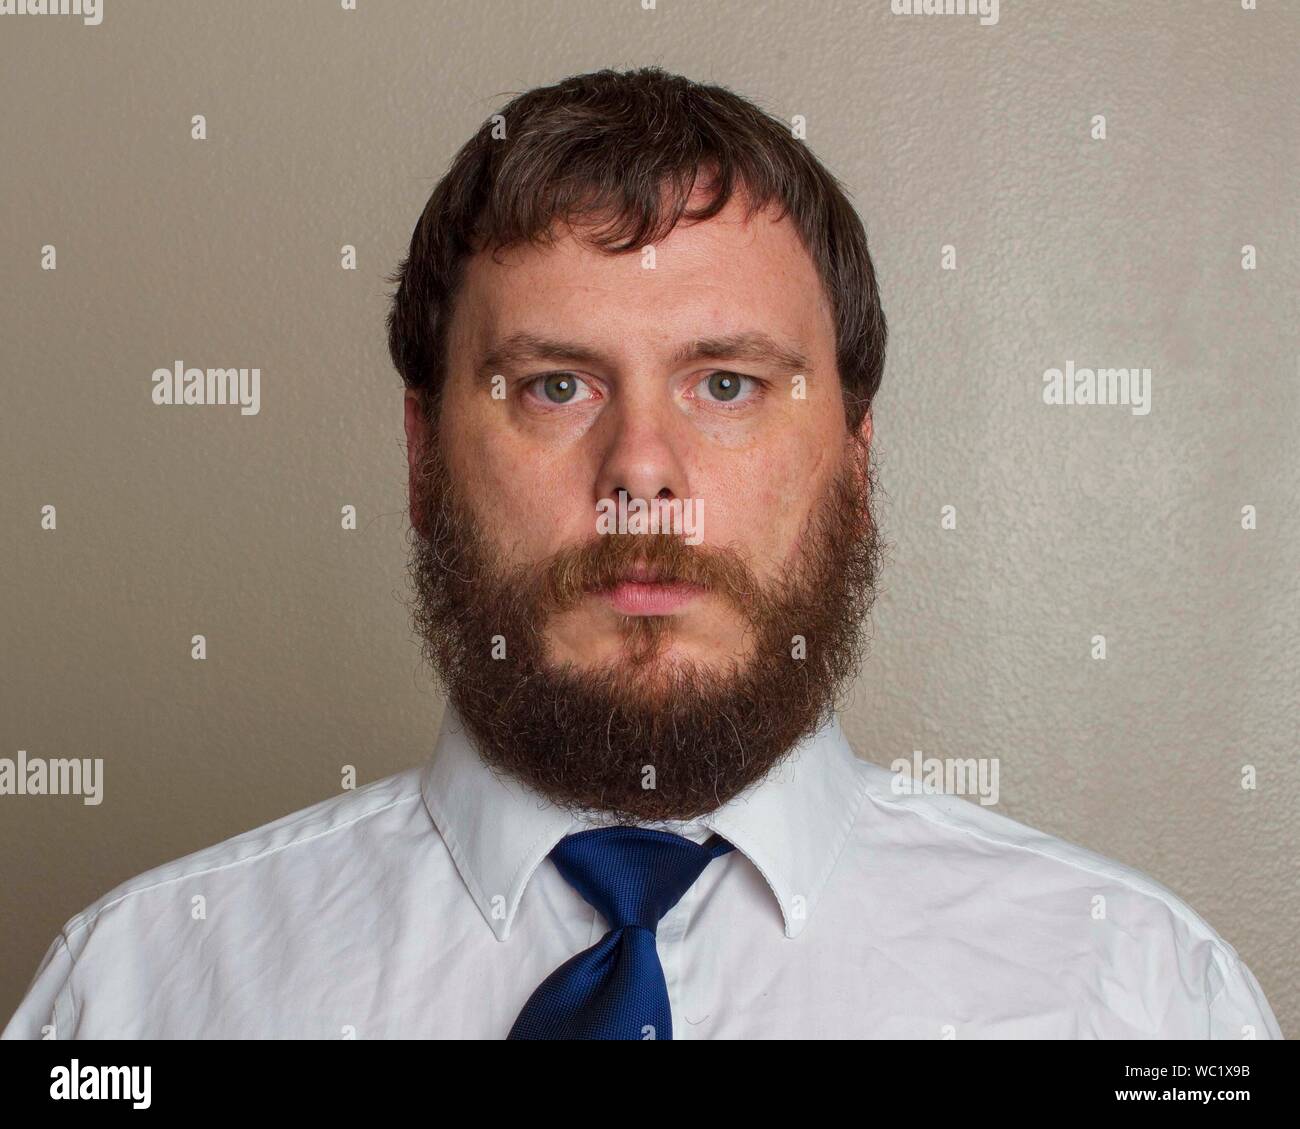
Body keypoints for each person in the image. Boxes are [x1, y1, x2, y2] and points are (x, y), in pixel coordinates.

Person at [3, 66, 1281, 1040]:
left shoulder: (1139, 998)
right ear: (419, 456)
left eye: (727, 384)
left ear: (856, 458)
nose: (642, 473)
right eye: (555, 387)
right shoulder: (138, 999)